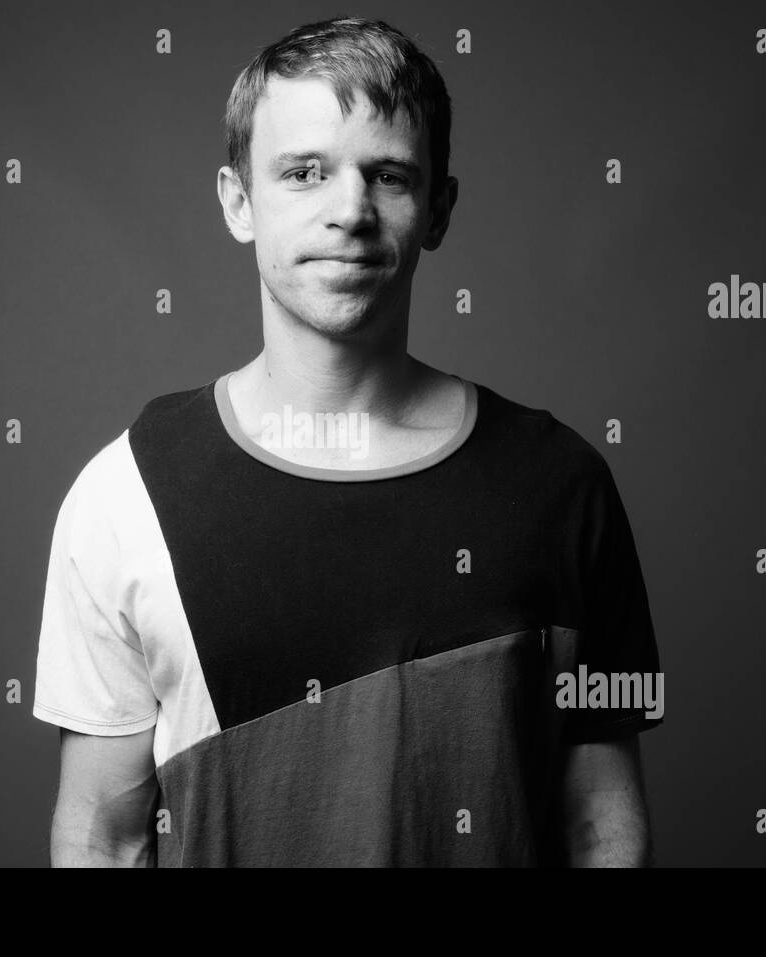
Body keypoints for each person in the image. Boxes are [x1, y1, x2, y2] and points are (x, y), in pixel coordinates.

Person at [32, 16, 663, 867]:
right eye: (304, 172)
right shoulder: (124, 494)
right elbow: (102, 840)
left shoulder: (563, 485)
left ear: (438, 208)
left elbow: (601, 828)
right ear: (237, 202)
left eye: (389, 175)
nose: (350, 212)